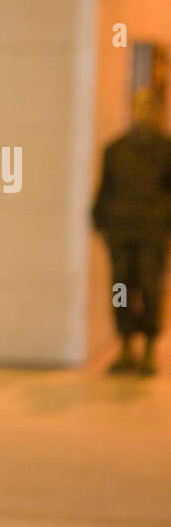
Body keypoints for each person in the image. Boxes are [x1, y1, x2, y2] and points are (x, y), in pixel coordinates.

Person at [92, 88, 171, 376]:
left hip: (152, 232)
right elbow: (105, 189)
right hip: (121, 231)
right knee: (121, 289)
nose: (144, 111)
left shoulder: (166, 149)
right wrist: (100, 220)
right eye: (139, 105)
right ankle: (125, 347)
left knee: (151, 288)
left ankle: (149, 348)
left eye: (149, 106)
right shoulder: (115, 149)